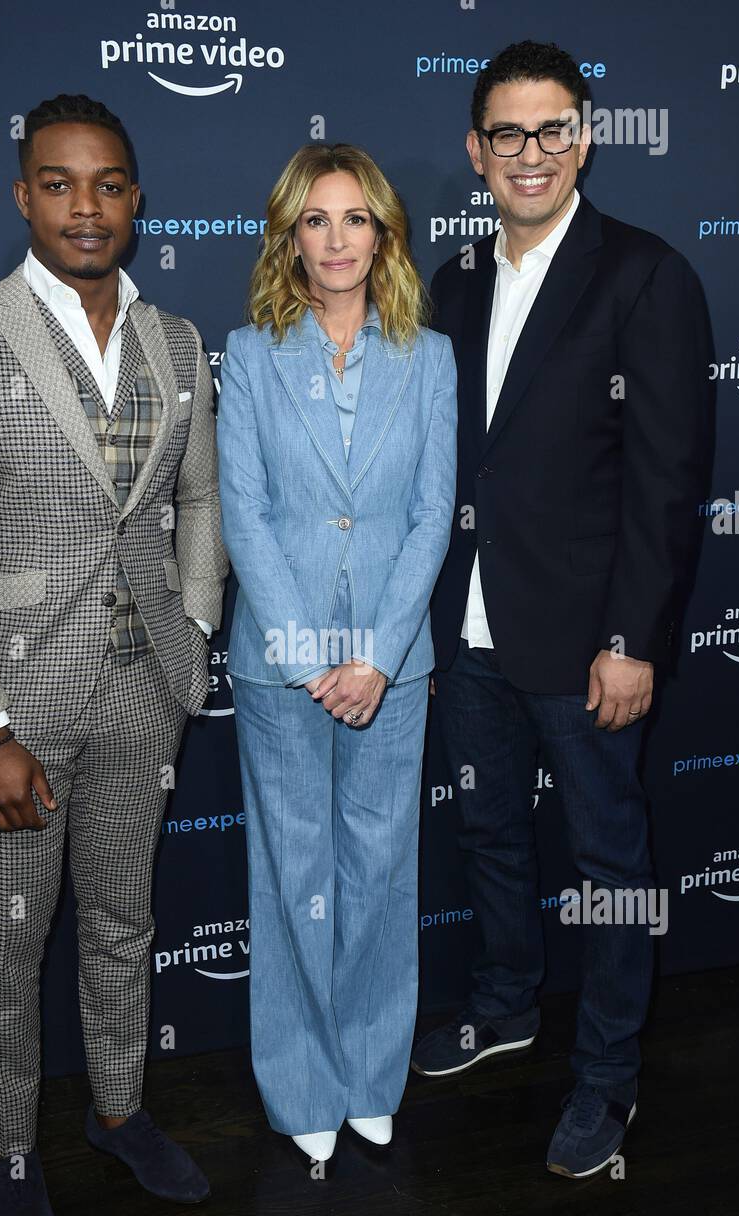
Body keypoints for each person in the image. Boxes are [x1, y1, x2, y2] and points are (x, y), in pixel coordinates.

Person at [0, 94, 228, 1216]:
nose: (86, 207)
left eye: (109, 184)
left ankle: (120, 1106)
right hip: (17, 707)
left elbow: (199, 503)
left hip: (147, 694)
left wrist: (191, 634)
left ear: (137, 198)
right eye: (59, 183)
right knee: (11, 938)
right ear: (23, 195)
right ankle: (12, 1146)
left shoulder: (180, 343)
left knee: (126, 921)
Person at [413, 40, 716, 1177]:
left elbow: (667, 481)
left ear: (585, 138)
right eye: (507, 134)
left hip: (588, 638)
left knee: (608, 865)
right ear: (476, 151)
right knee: (488, 829)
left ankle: (608, 1076)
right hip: (472, 629)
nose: (529, 154)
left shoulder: (646, 274)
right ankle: (506, 1004)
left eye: (552, 131)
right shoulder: (455, 281)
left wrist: (632, 640)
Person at [217, 143, 457, 1164]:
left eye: (356, 219)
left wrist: (376, 656)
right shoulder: (251, 351)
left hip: (392, 667)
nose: (337, 240)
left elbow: (429, 514)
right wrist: (317, 653)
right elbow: (246, 514)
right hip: (284, 666)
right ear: (289, 235)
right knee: (292, 874)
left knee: (379, 866)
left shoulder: (430, 357)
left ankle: (369, 1068)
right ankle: (302, 1078)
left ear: (384, 233)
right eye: (315, 220)